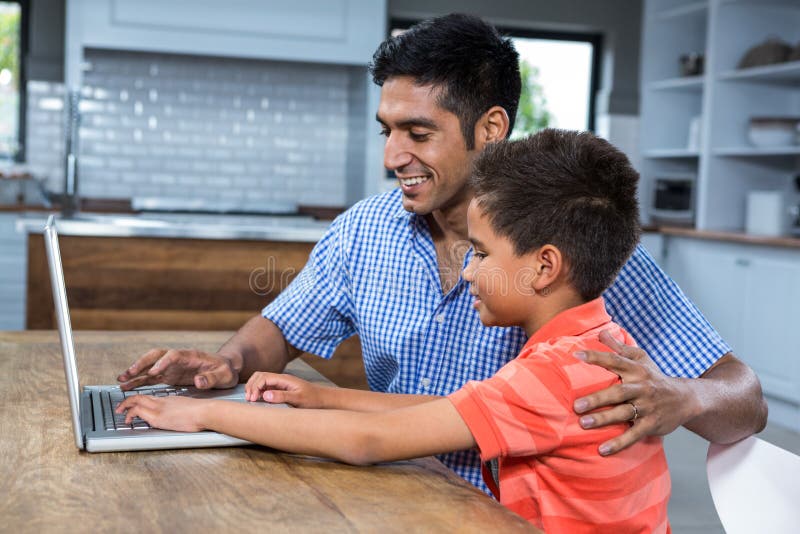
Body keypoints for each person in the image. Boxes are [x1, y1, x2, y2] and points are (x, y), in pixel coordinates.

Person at [116, 13, 766, 493]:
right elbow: (285, 330)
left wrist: (686, 399)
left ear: (491, 128)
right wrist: (226, 366)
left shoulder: (577, 247)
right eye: (388, 130)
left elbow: (744, 400)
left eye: (417, 132)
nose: (393, 156)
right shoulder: (364, 231)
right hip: (389, 492)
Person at [118, 130, 672, 533]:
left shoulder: (553, 372)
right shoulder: (599, 343)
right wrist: (320, 398)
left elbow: (369, 445)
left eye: (481, 254)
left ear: (545, 267)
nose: (471, 269)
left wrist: (201, 415)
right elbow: (454, 408)